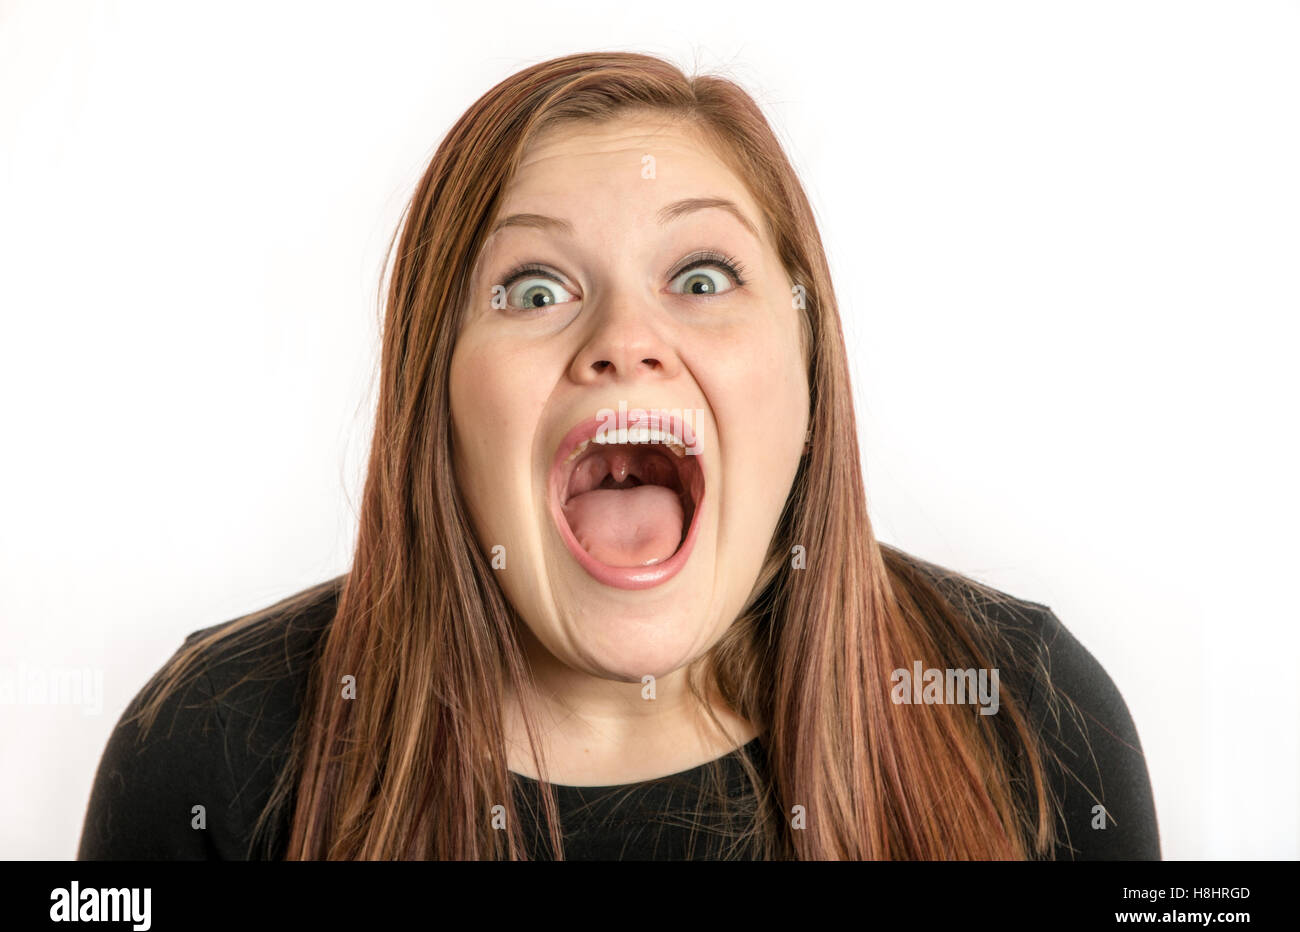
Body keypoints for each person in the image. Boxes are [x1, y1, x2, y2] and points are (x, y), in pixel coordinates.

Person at [78, 51, 1160, 861]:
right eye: (535, 290)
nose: (622, 342)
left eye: (699, 276)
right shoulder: (208, 748)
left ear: (807, 365)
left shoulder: (1019, 710)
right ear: (435, 392)